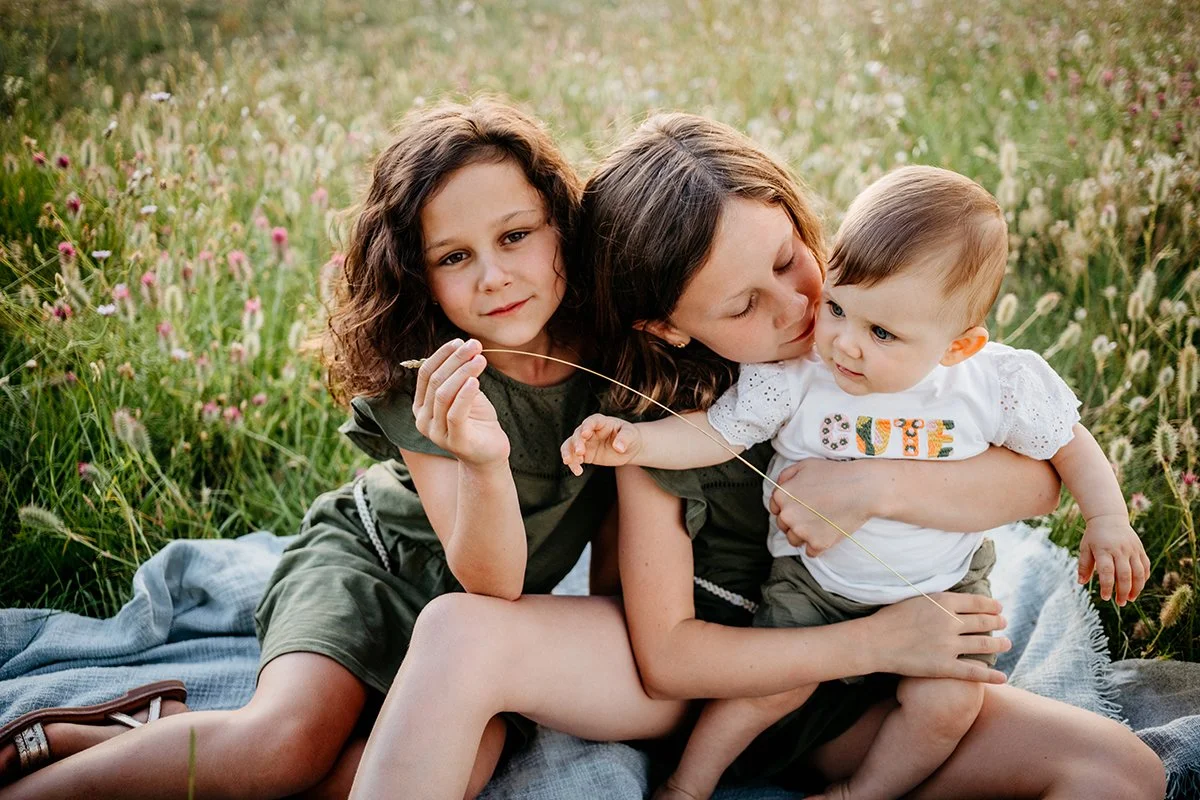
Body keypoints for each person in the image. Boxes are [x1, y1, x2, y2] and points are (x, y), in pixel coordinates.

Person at [348, 114, 1164, 800]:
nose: (801, 307)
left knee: (1120, 771)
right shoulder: (659, 423)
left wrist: (874, 485)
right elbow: (668, 657)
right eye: (743, 305)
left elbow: (1038, 482)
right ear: (669, 327)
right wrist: (879, 643)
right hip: (723, 676)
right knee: (461, 632)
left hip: (861, 693)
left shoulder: (873, 328)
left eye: (787, 259)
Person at [0, 97, 637, 800]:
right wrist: (484, 460)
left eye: (515, 235)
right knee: (283, 747)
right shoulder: (431, 373)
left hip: (487, 636)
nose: (493, 276)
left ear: (562, 224)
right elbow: (489, 578)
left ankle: (144, 734)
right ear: (419, 276)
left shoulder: (616, 361)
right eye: (454, 256)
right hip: (371, 568)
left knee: (448, 769)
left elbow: (596, 563)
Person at [561, 164, 1152, 800]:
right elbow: (720, 431)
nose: (842, 341)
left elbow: (1065, 445)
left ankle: (861, 793)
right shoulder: (799, 374)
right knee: (769, 689)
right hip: (817, 586)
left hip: (940, 587)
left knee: (949, 704)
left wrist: (1108, 520)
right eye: (839, 308)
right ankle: (687, 784)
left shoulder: (991, 383)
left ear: (958, 347)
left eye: (880, 332)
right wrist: (639, 443)